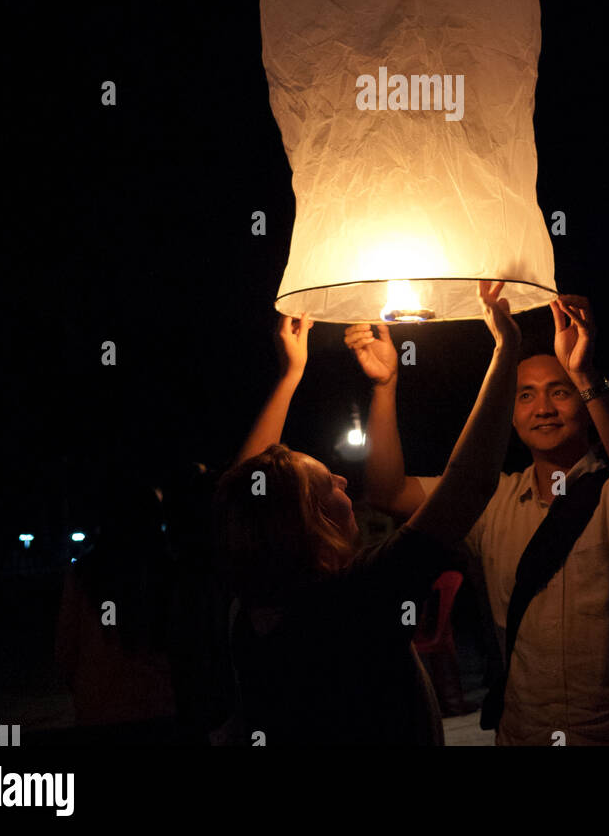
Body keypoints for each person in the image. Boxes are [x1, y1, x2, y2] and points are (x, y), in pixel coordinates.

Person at [354, 293, 609, 745]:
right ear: (508, 414)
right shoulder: (492, 503)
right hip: (526, 731)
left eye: (560, 391)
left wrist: (586, 373)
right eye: (525, 395)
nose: (543, 408)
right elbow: (387, 490)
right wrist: (385, 385)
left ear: (585, 404)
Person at [215, 280, 521, 746]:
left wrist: (291, 376)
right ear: (309, 520)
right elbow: (469, 484)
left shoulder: (250, 611)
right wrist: (504, 354)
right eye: (328, 484)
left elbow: (244, 496)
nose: (344, 481)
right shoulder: (358, 594)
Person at [54, 476, 178, 740]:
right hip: (160, 709)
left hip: (98, 709)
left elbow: (66, 650)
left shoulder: (83, 574)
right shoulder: (171, 573)